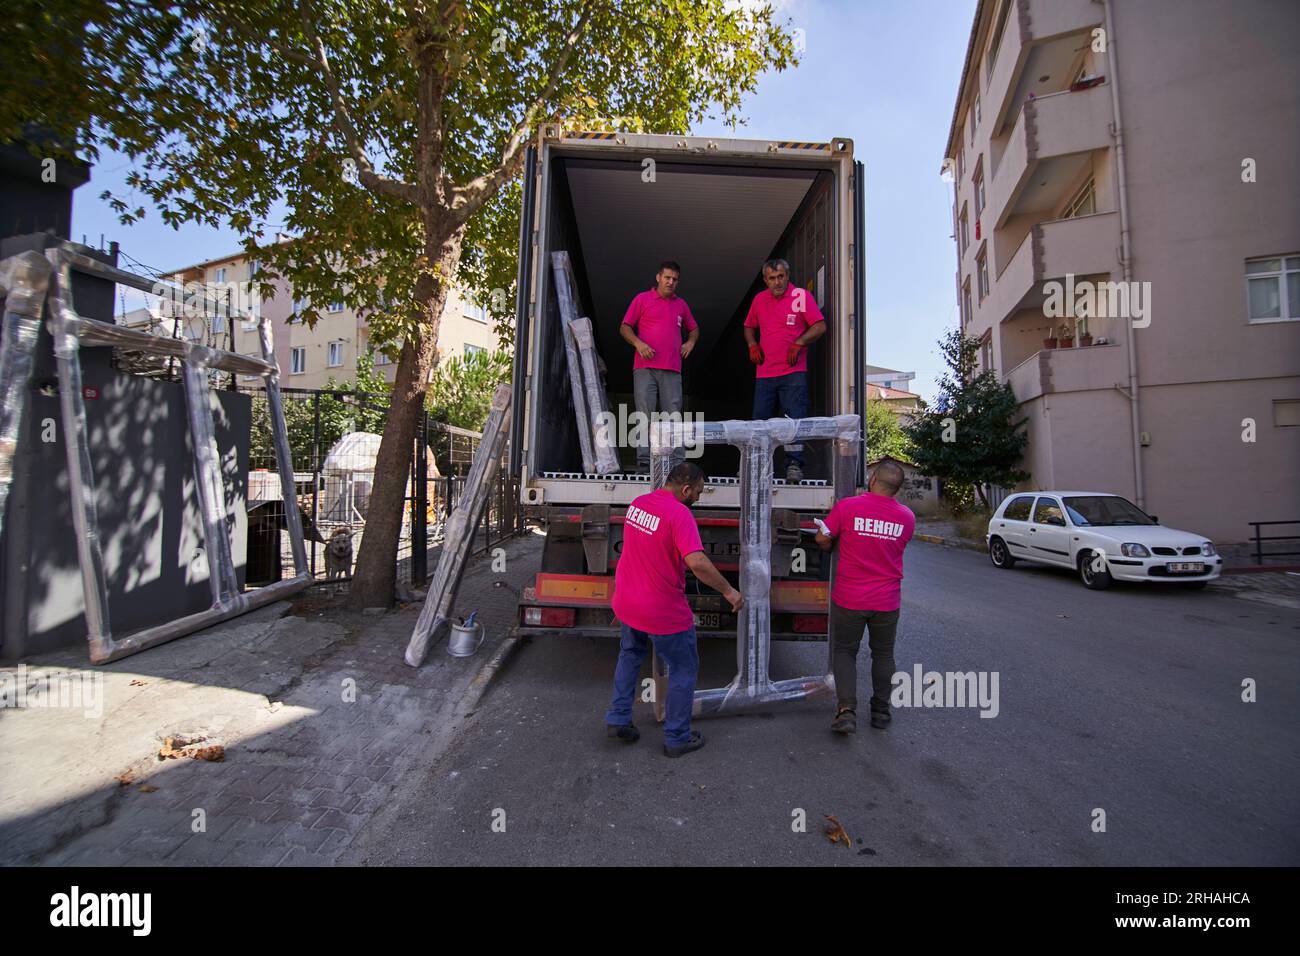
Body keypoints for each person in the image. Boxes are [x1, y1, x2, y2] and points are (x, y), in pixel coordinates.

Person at [605, 462, 743, 757]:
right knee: (684, 667)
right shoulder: (679, 514)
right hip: (660, 608)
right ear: (686, 489)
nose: (699, 498)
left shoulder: (638, 504)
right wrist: (729, 591)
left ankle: (618, 718)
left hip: (628, 601)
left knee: (630, 654)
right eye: (699, 492)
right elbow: (698, 563)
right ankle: (677, 737)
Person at [814, 459, 916, 732]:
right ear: (897, 488)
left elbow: (822, 538)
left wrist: (830, 541)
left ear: (872, 479)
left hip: (850, 598)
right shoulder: (907, 517)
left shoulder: (847, 507)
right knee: (883, 654)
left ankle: (846, 711)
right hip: (886, 601)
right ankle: (881, 712)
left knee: (846, 651)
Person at [743, 258, 827, 483]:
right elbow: (748, 326)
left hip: (793, 373)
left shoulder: (800, 296)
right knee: (759, 423)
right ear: (765, 280)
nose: (777, 282)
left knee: (794, 422)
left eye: (781, 276)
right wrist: (752, 344)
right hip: (765, 374)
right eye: (772, 278)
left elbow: (819, 326)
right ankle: (756, 466)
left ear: (787, 276)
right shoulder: (759, 300)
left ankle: (793, 465)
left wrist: (799, 343)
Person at [620, 261, 699, 473]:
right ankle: (644, 460)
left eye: (675, 279)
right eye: (667, 278)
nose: (670, 282)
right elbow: (625, 327)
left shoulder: (681, 304)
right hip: (645, 367)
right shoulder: (642, 299)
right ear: (658, 277)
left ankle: (677, 461)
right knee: (644, 413)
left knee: (673, 414)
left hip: (672, 369)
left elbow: (694, 329)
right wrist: (639, 344)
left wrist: (690, 343)